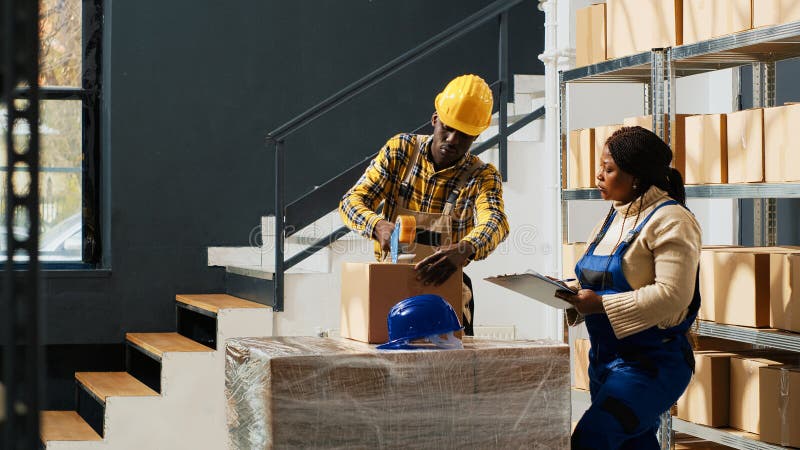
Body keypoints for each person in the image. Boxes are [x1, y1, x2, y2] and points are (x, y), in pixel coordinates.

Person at [557, 126, 702, 449]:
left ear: (635, 177)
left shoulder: (672, 220)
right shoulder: (614, 217)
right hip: (605, 361)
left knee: (591, 439)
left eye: (608, 169)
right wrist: (565, 290)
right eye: (600, 167)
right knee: (632, 445)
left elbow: (674, 295)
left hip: (651, 365)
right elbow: (593, 278)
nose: (599, 176)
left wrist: (600, 305)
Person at [339, 74, 510, 335]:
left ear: (476, 136)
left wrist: (466, 248)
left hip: (447, 292)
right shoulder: (401, 151)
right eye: (448, 128)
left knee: (450, 371)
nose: (453, 139)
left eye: (464, 135)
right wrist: (377, 225)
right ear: (434, 119)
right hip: (390, 285)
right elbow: (352, 201)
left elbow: (495, 221)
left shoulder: (482, 176)